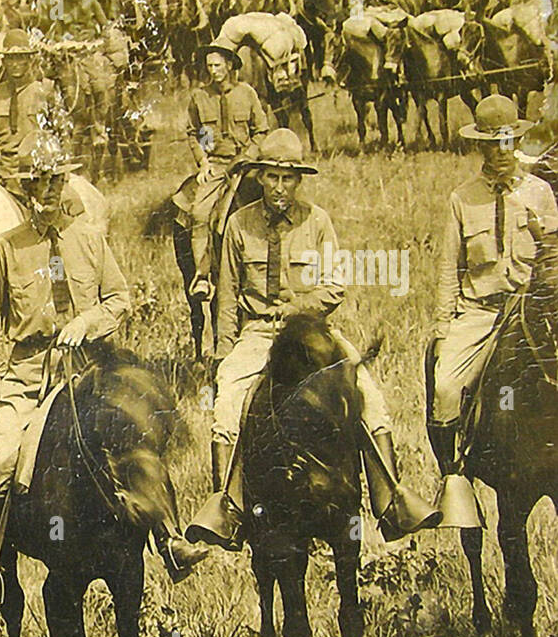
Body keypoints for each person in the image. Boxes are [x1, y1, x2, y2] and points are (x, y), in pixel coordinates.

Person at [0, 132, 207, 607]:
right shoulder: (7, 248)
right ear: (24, 192)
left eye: (53, 184)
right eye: (35, 187)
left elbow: (120, 299)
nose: (45, 196)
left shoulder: (89, 239)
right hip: (28, 373)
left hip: (88, 367)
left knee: (136, 429)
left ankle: (170, 538)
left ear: (64, 185)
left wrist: (86, 321)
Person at [185, 129, 441, 549]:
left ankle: (392, 500)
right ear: (259, 178)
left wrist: (301, 308)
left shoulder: (317, 221)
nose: (279, 188)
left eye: (288, 179)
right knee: (228, 404)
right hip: (258, 332)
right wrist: (223, 353)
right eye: (271, 178)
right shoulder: (237, 224)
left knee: (368, 395)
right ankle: (227, 508)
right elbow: (228, 294)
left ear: (299, 181)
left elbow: (335, 285)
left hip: (312, 333)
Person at [428, 95, 558, 513]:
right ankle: (455, 480)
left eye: (507, 142)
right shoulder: (462, 199)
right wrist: (443, 326)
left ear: (515, 142)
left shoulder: (540, 194)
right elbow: (450, 267)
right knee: (446, 389)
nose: (500, 152)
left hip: (532, 307)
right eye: (491, 144)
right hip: (481, 312)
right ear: (480, 146)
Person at [172, 41, 269, 303]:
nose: (213, 70)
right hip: (216, 165)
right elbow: (194, 132)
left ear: (229, 65)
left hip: (246, 165)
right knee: (199, 213)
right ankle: (202, 276)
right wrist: (203, 162)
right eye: (209, 66)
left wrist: (248, 156)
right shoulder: (200, 97)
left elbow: (261, 130)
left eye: (217, 65)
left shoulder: (247, 93)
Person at [0, 29, 58, 190]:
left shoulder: (45, 91)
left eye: (20, 58)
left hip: (37, 171)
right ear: (4, 62)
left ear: (29, 60)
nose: (15, 64)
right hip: (1, 171)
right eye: (10, 58)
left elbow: (60, 133)